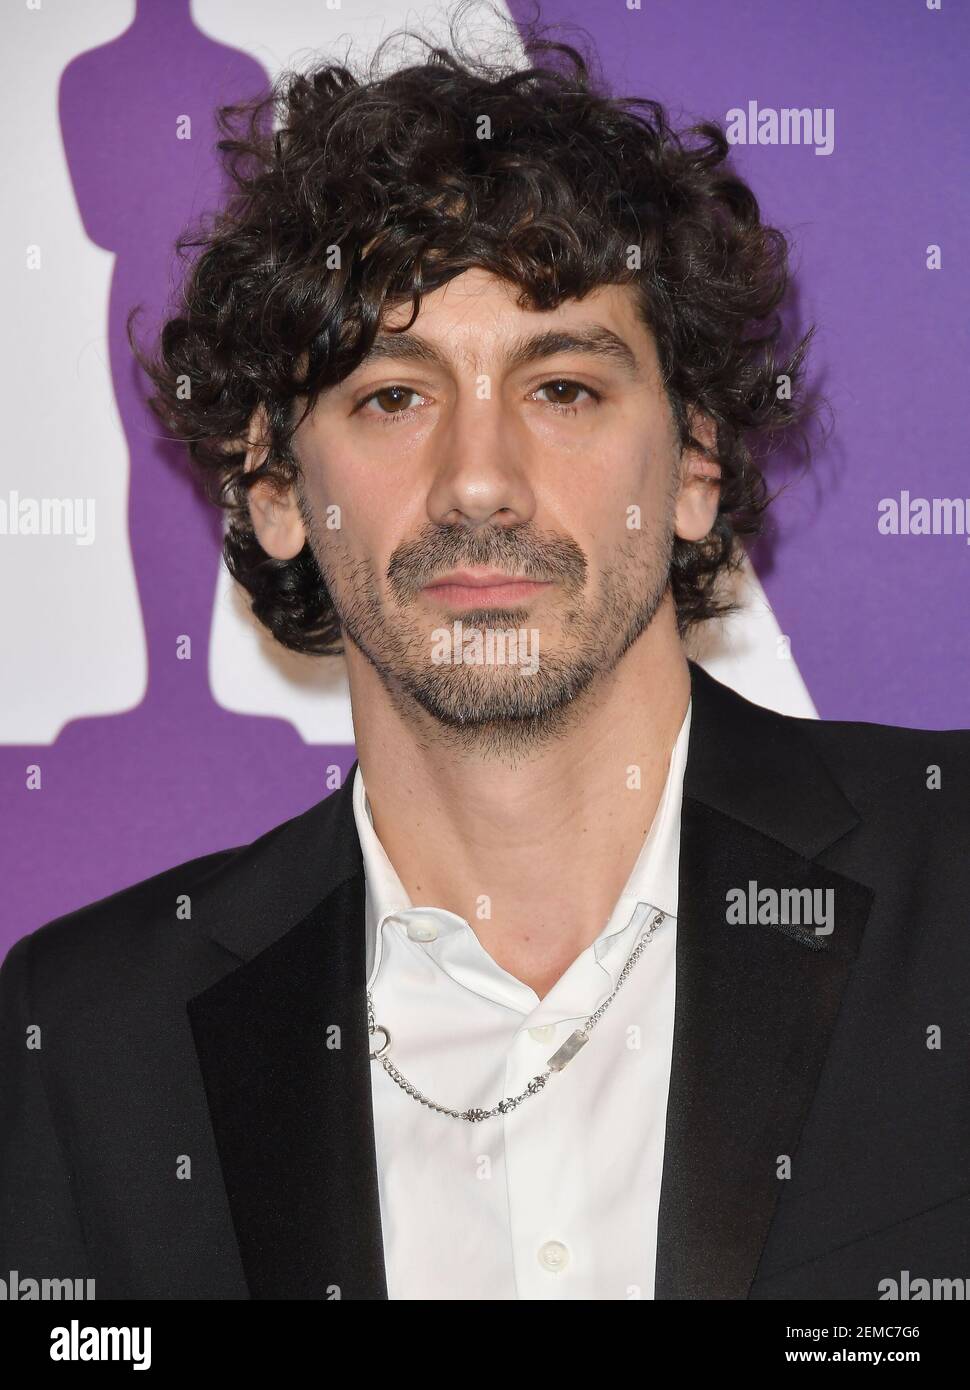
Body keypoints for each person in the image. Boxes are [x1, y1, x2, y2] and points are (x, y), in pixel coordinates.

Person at [2, 10, 968, 1301]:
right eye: (391, 395)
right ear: (278, 488)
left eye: (561, 386)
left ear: (692, 466)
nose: (478, 482)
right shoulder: (93, 1033)